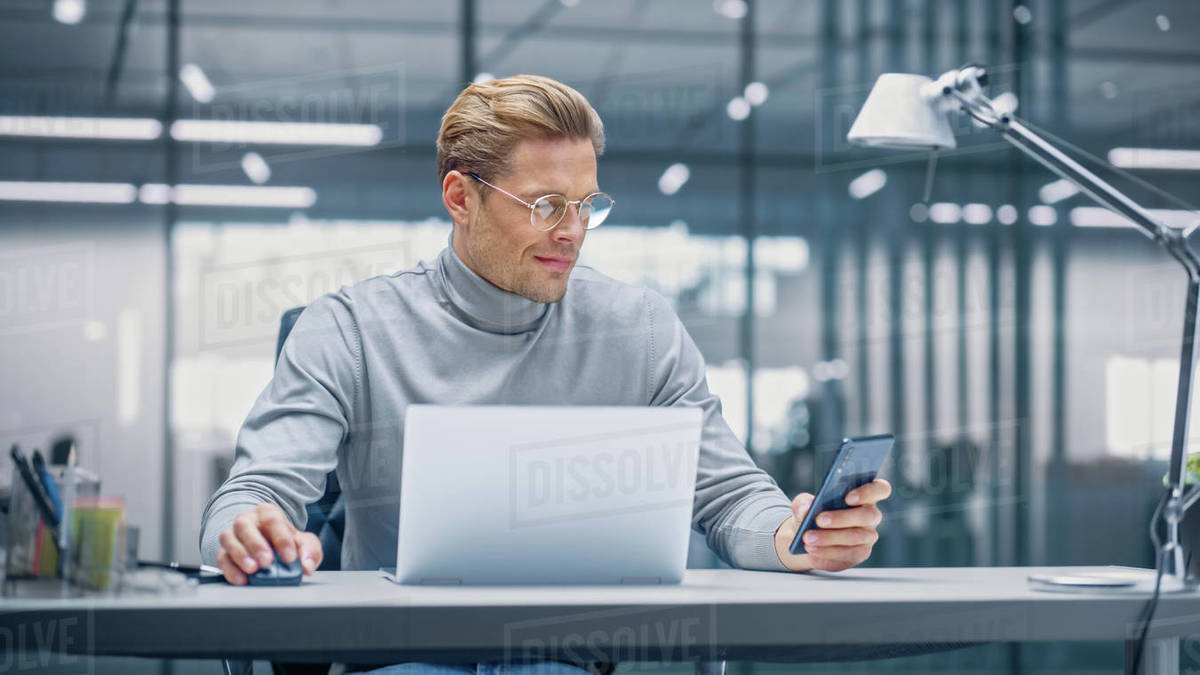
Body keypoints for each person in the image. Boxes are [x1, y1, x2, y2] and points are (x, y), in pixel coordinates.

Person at [199, 74, 892, 674]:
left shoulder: (642, 328)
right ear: (460, 197)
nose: (573, 230)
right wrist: (250, 531)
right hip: (402, 656)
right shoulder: (350, 327)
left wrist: (792, 537)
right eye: (545, 205)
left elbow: (729, 495)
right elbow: (254, 492)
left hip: (562, 657)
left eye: (586, 204)